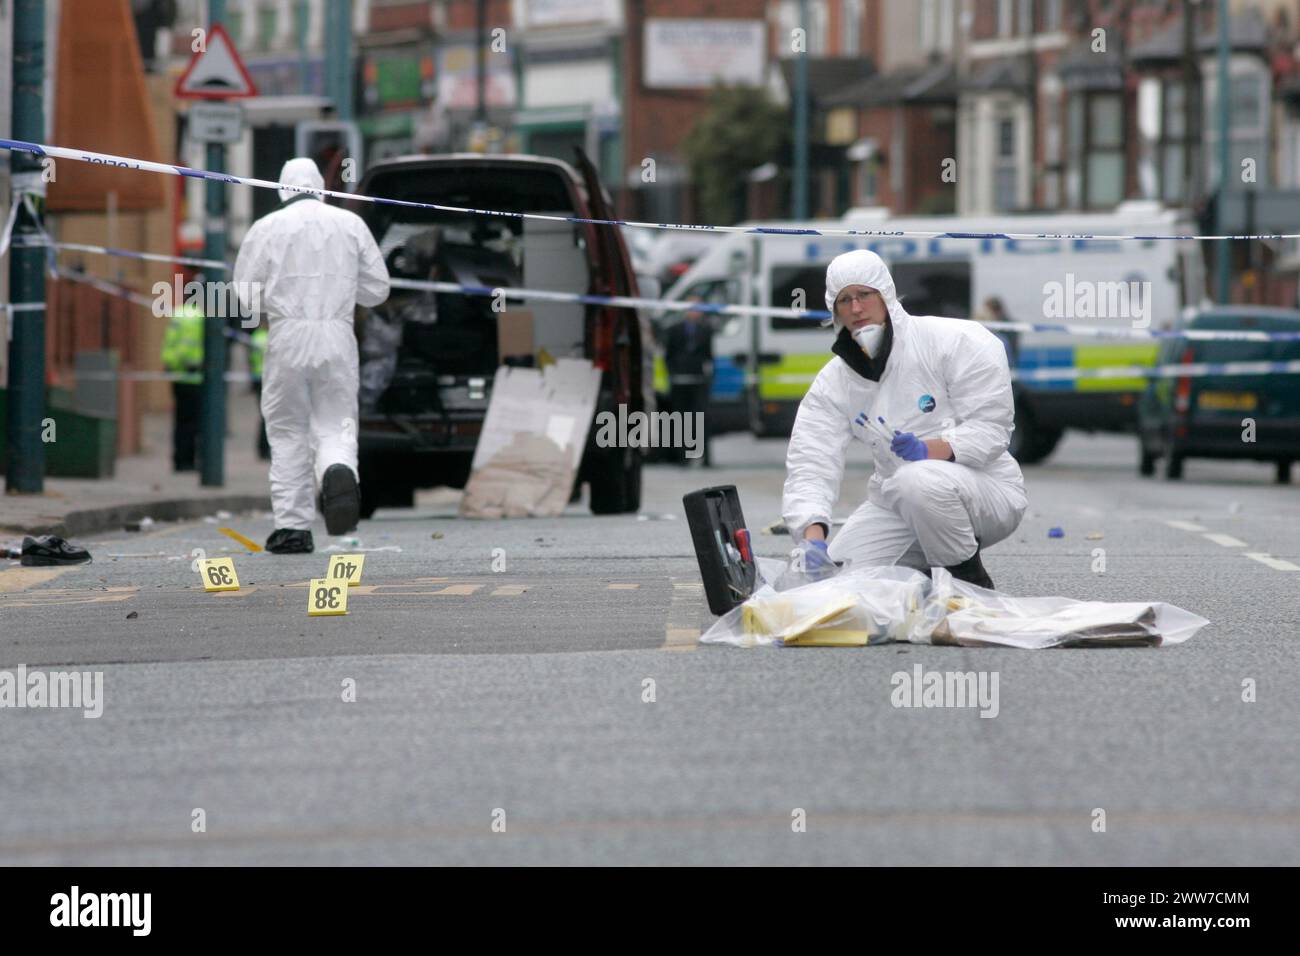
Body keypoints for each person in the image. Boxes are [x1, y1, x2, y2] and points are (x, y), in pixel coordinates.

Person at [782, 250, 1026, 589]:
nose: (856, 308)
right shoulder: (835, 381)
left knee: (916, 480)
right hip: (895, 502)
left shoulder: (951, 341)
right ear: (833, 310)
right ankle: (920, 579)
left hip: (985, 490)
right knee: (836, 585)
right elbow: (811, 459)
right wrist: (812, 536)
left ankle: (968, 580)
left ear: (886, 295)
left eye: (864, 294)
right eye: (844, 300)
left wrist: (930, 449)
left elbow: (991, 430)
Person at [234, 157, 390, 554]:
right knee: (336, 424)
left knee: (288, 431)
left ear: (282, 189)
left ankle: (292, 528)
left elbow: (245, 296)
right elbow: (378, 290)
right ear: (321, 187)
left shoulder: (265, 227)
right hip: (336, 334)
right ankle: (338, 470)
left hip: (287, 335)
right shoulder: (350, 224)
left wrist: (274, 303)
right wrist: (343, 291)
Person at [664, 299, 714, 466]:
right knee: (680, 419)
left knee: (701, 418)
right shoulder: (674, 329)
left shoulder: (706, 330)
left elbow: (709, 355)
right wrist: (672, 373)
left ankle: (705, 457)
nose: (695, 312)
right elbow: (668, 355)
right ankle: (682, 456)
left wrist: (709, 376)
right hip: (679, 380)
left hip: (698, 379)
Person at [160, 300, 205, 472]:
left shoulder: (179, 314)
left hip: (178, 374)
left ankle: (180, 460)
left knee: (181, 420)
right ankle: (190, 461)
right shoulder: (199, 317)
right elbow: (193, 346)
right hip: (195, 376)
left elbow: (170, 342)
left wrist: (171, 364)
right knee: (195, 423)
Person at [248, 324, 270, 460]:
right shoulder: (267, 337)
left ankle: (263, 450)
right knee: (268, 416)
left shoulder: (256, 336)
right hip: (267, 378)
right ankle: (264, 449)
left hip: (259, 378)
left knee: (265, 415)